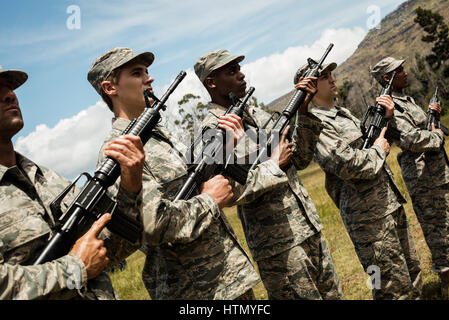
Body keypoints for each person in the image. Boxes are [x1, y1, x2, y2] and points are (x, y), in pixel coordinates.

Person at [88, 47, 289, 299]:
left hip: (228, 278)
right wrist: (209, 201)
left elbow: (221, 184)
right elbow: (152, 226)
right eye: (137, 73)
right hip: (192, 290)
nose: (149, 78)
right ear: (110, 88)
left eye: (148, 72)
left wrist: (234, 153)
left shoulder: (166, 137)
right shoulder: (118, 152)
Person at [195, 49, 343, 299]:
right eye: (231, 71)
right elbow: (228, 191)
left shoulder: (257, 115)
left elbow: (299, 160)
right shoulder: (212, 131)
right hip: (279, 247)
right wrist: (273, 165)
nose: (241, 75)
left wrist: (304, 113)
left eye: (239, 69)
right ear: (211, 82)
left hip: (308, 227)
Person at [0, 66, 145, 300]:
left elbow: (114, 247)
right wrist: (74, 269)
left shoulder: (49, 179)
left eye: (10, 87)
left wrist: (131, 186)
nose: (10, 95)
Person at [301, 61, 422, 299]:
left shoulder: (342, 113)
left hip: (387, 203)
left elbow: (371, 142)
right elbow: (347, 165)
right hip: (366, 219)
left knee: (411, 270)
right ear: (311, 88)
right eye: (325, 77)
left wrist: (386, 118)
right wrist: (379, 151)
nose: (333, 80)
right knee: (389, 286)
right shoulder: (316, 125)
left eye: (331, 75)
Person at [371, 57, 449, 298]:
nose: (405, 73)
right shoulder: (389, 106)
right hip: (422, 175)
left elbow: (421, 128)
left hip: (437, 169)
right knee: (438, 228)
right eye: (399, 70)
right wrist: (436, 136)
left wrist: (433, 115)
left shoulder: (406, 99)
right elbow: (409, 139)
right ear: (387, 78)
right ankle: (447, 282)